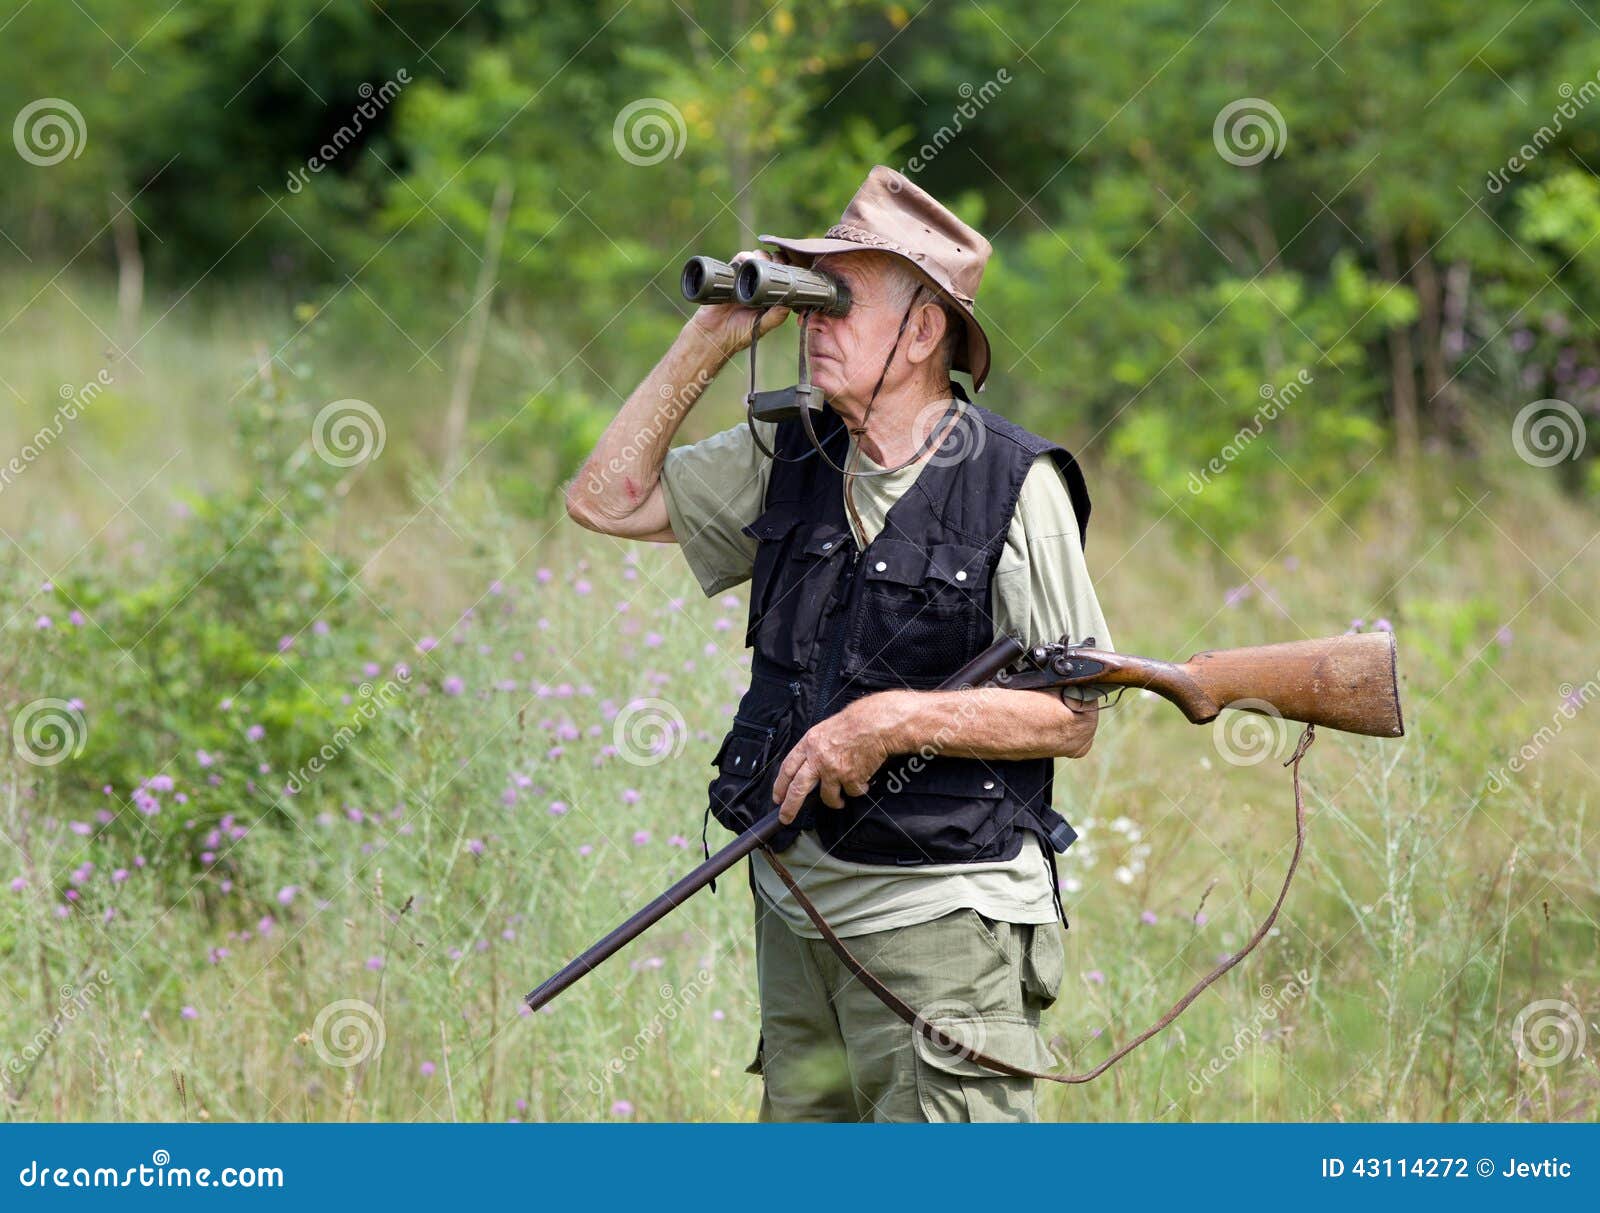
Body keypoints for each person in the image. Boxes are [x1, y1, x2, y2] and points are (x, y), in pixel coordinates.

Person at [566, 165, 1113, 1122]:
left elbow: (1071, 714)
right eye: (806, 297)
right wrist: (711, 335)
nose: (814, 322)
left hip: (939, 925)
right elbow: (605, 499)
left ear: (925, 331)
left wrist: (895, 719)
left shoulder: (1015, 483)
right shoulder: (796, 450)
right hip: (797, 911)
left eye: (838, 301)